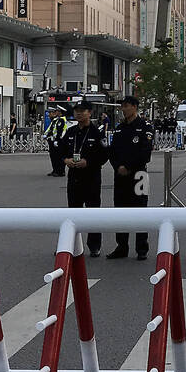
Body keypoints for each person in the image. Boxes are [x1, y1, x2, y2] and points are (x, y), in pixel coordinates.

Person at [107, 96, 153, 260]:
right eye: (122, 107)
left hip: (139, 174)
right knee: (120, 210)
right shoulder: (120, 128)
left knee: (141, 210)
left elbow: (145, 153)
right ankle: (122, 246)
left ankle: (142, 248)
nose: (123, 109)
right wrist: (118, 166)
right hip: (120, 175)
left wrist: (129, 167)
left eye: (126, 106)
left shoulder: (144, 127)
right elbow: (112, 152)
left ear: (134, 107)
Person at [62, 100, 108, 257]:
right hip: (74, 177)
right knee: (73, 212)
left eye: (82, 110)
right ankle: (71, 245)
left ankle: (94, 245)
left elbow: (104, 155)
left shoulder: (96, 133)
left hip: (91, 178)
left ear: (90, 112)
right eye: (76, 111)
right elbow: (61, 150)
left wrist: (88, 162)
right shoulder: (71, 131)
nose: (79, 113)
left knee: (93, 213)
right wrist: (66, 160)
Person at [45, 106, 67, 176]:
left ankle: (60, 171)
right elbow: (52, 129)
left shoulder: (62, 120)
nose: (56, 112)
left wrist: (57, 140)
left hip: (59, 141)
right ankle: (55, 170)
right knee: (54, 157)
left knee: (59, 157)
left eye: (57, 111)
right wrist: (47, 135)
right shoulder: (57, 120)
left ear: (60, 113)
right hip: (53, 140)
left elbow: (60, 131)